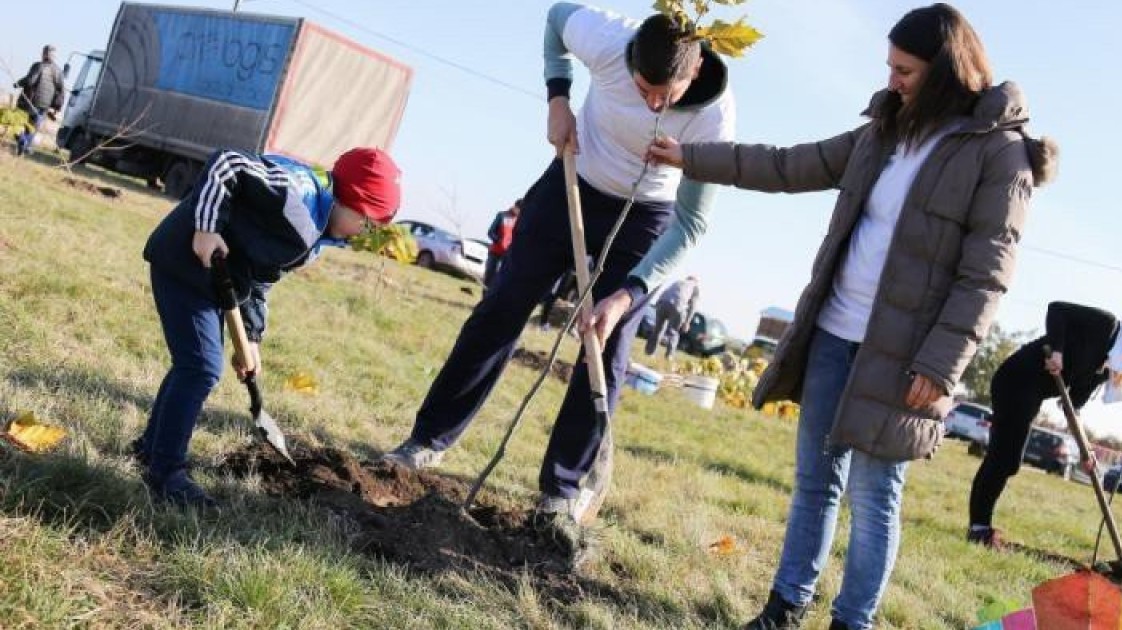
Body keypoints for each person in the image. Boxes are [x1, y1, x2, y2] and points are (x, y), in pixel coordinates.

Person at [647, 4, 1056, 628]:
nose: (893, 80)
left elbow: (987, 275)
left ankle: (852, 621)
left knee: (875, 497)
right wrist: (691, 158)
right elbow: (789, 165)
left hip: (906, 358)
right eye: (890, 67)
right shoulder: (884, 130)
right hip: (835, 334)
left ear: (946, 71)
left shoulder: (1000, 156)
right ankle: (784, 609)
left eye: (906, 70)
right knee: (814, 484)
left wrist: (943, 365)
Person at [382, 2, 735, 537]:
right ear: (630, 59)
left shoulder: (714, 117)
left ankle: (561, 491)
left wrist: (626, 294)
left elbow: (690, 227)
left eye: (667, 96)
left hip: (648, 214)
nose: (654, 104)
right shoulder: (608, 38)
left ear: (696, 72)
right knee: (503, 304)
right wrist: (558, 99)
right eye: (644, 89)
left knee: (608, 348)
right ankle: (427, 439)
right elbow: (555, 17)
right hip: (576, 177)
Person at [135, 147, 402, 508]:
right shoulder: (296, 192)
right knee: (200, 368)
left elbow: (261, 278)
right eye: (366, 220)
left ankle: (150, 451)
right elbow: (229, 162)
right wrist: (206, 227)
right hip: (184, 262)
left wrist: (252, 338)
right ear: (350, 198)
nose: (363, 231)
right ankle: (166, 473)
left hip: (213, 282)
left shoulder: (317, 233)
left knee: (193, 365)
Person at [967, 302, 1122, 548]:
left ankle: (978, 527)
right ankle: (979, 528)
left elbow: (1072, 406)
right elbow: (1057, 309)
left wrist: (1085, 448)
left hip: (1031, 392)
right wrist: (1057, 351)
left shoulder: (1106, 365)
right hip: (1016, 379)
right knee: (1004, 459)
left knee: (1003, 459)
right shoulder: (1106, 325)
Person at [13, 44, 64, 157]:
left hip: (32, 102)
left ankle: (22, 140)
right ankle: (25, 147)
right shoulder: (59, 71)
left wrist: (17, 84)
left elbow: (30, 80)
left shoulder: (38, 66)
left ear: (44, 54)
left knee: (22, 124)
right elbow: (61, 91)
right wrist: (57, 107)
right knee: (33, 127)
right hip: (45, 105)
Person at [646, 275, 699, 360]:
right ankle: (669, 356)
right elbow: (693, 306)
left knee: (658, 329)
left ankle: (650, 353)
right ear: (696, 282)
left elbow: (665, 291)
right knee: (673, 332)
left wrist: (658, 303)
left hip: (662, 302)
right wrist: (687, 322)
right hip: (678, 306)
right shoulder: (695, 287)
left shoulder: (678, 281)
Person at [484, 199, 522, 287]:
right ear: (515, 206)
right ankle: (485, 296)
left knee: (501, 278)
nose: (519, 212)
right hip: (495, 252)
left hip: (508, 254)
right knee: (489, 275)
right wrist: (498, 240)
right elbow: (490, 232)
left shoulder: (520, 221)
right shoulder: (501, 215)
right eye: (519, 209)